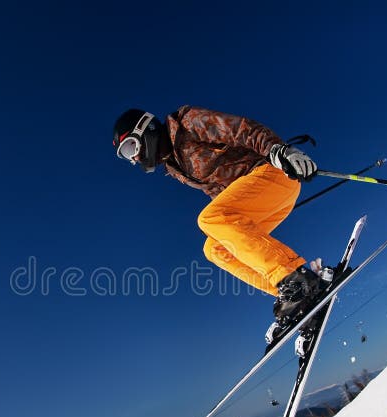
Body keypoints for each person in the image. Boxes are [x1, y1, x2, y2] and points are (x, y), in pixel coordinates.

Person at [112, 106, 328, 340]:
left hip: (272, 172)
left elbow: (240, 129)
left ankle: (296, 281)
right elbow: (220, 191)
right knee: (214, 249)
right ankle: (293, 296)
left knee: (209, 218)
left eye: (131, 147)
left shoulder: (186, 123)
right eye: (127, 157)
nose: (134, 158)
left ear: (147, 129)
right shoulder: (175, 167)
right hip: (262, 194)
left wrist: (278, 151)